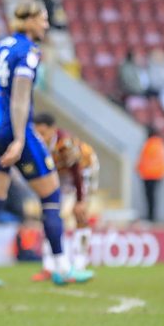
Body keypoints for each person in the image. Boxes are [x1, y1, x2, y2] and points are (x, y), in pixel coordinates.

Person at [0, 0, 94, 288]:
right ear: (28, 21)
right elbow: (20, 97)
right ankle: (61, 267)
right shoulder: (28, 52)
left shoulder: (1, 46)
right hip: (14, 129)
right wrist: (20, 138)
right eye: (43, 19)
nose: (46, 25)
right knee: (51, 197)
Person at [33, 114, 98, 278]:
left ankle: (80, 263)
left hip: (85, 170)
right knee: (50, 213)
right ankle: (49, 266)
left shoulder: (65, 143)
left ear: (53, 130)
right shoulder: (36, 144)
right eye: (37, 133)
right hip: (59, 173)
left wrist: (80, 200)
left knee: (79, 213)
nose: (40, 137)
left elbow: (76, 171)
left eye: (43, 133)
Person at [137, 127, 164, 222]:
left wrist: (139, 169)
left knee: (150, 197)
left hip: (149, 175)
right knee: (152, 197)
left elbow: (145, 160)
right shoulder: (160, 144)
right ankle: (152, 215)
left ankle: (151, 216)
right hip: (156, 174)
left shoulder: (151, 144)